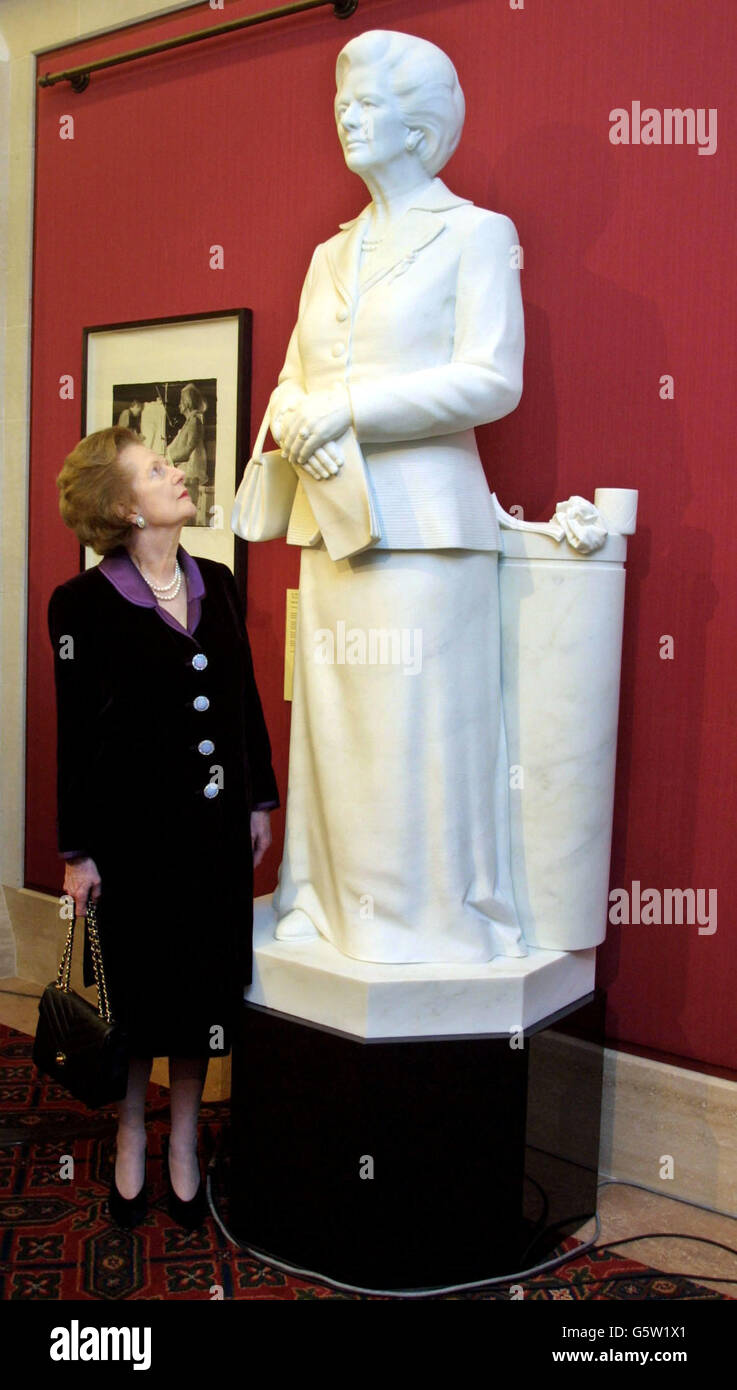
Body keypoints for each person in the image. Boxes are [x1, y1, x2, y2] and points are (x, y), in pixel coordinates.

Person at [267, 29, 527, 964]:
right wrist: (299, 410)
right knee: (332, 721)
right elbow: (296, 376)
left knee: (416, 725)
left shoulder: (475, 234)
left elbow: (491, 381)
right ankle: (324, 906)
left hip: (424, 528)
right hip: (333, 523)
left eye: (368, 102)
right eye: (342, 99)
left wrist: (343, 410)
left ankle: (429, 921)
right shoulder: (327, 255)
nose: (345, 114)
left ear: (419, 128)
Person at [49, 425, 278, 1229]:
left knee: (202, 992)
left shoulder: (214, 580)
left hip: (213, 835)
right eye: (156, 468)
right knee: (142, 994)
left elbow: (243, 703)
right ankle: (130, 1133)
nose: (176, 472)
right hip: (132, 844)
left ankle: (184, 1140)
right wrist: (77, 853)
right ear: (121, 506)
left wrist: (257, 801)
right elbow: (75, 736)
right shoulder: (78, 606)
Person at [166, 383, 209, 518]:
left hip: (191, 473)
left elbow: (188, 450)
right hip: (186, 472)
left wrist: (168, 459)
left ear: (187, 403)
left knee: (186, 513)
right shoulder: (190, 422)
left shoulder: (194, 421)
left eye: (181, 401)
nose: (179, 404)